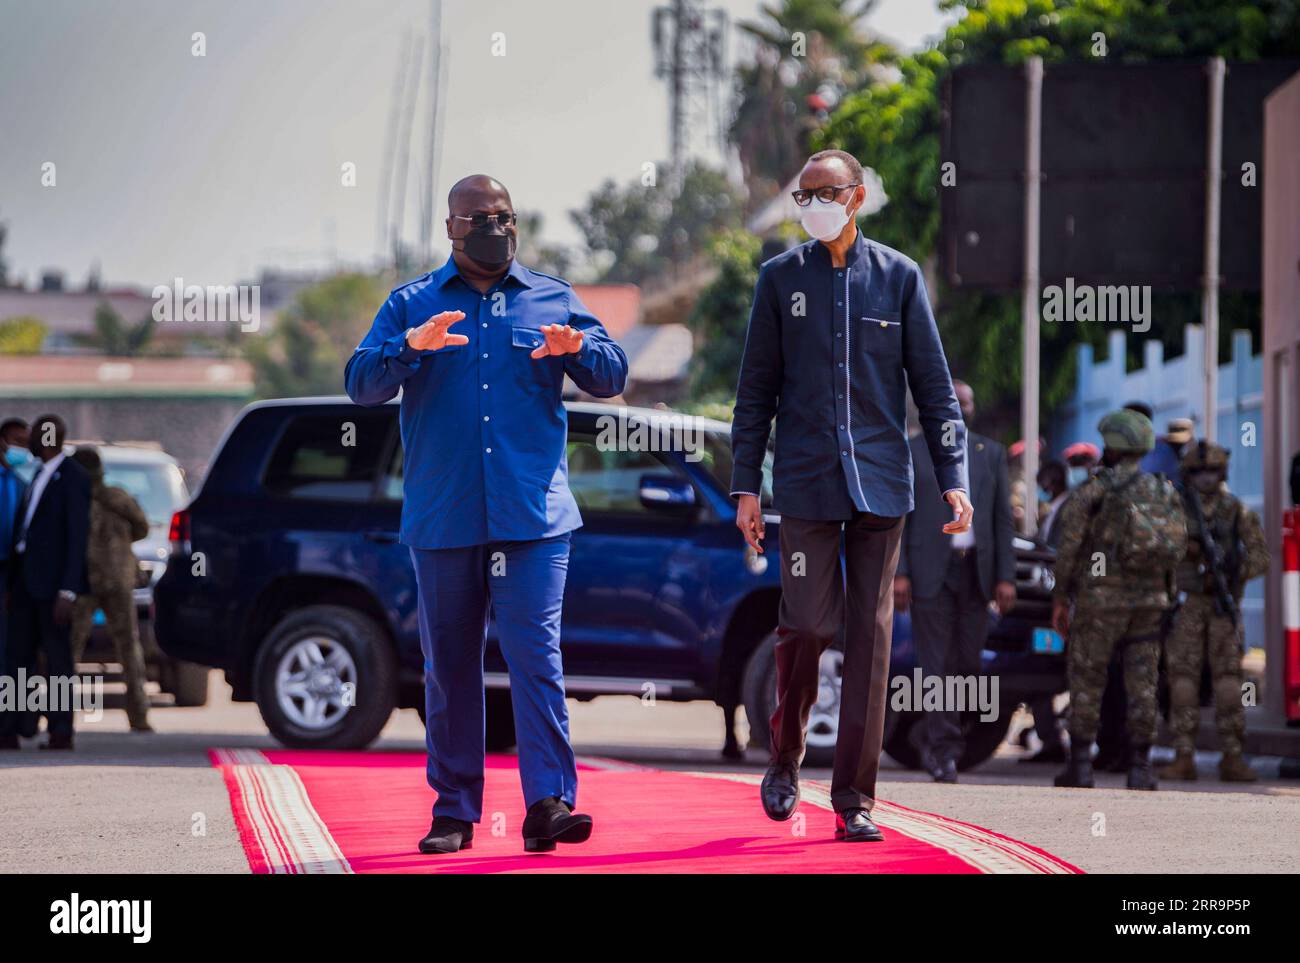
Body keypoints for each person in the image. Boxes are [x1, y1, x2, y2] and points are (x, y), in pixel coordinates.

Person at [345, 174, 627, 855]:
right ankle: (453, 810)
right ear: (451, 228)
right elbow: (361, 385)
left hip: (533, 518)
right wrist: (410, 347)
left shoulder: (552, 298)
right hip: (445, 519)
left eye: (503, 216)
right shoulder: (411, 303)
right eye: (477, 218)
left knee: (538, 657)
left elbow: (614, 374)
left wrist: (577, 351)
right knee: (450, 667)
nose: (492, 227)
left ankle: (549, 803)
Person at [731, 148, 971, 842]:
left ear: (857, 197)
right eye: (801, 197)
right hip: (804, 483)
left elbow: (933, 385)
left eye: (824, 194)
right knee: (805, 624)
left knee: (871, 641)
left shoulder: (899, 277)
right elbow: (755, 391)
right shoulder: (780, 280)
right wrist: (746, 483)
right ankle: (784, 757)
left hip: (882, 486)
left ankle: (853, 798)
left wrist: (953, 477)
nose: (811, 206)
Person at [1050, 409, 1186, 790]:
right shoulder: (1162, 489)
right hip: (1151, 602)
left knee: (1087, 678)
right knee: (1143, 682)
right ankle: (1140, 768)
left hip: (1100, 602)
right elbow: (1179, 548)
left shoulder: (1094, 492)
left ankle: (1080, 767)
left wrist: (1061, 597)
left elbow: (1069, 548)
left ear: (1111, 447)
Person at [896, 380, 1014, 782]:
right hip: (931, 572)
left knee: (967, 663)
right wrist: (900, 572)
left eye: (967, 403)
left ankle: (930, 732)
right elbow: (903, 519)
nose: (961, 410)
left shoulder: (990, 453)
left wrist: (1006, 577)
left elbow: (1002, 520)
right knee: (936, 663)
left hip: (975, 573)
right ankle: (945, 750)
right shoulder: (914, 451)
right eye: (954, 403)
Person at [1159, 442, 1268, 782]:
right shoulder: (1180, 508)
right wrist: (1187, 554)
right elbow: (1161, 552)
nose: (1205, 478)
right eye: (1198, 471)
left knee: (1220, 682)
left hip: (1218, 604)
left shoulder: (1233, 510)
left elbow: (1259, 556)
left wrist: (1232, 573)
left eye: (1211, 471)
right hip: (1190, 602)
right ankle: (1192, 756)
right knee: (1189, 680)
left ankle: (1223, 756)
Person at [0, 414, 90, 751]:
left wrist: (68, 589)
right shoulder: (37, 475)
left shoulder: (73, 478)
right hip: (25, 583)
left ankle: (60, 730)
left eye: (35, 436)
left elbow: (77, 537)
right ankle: (9, 727)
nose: (29, 442)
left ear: (48, 438)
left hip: (53, 589)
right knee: (17, 659)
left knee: (57, 661)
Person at [66, 447, 152, 732]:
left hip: (84, 581)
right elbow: (142, 528)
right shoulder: (118, 497)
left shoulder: (73, 499)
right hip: (119, 581)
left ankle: (61, 720)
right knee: (129, 648)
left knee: (70, 650)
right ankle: (138, 716)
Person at [1021, 457, 1069, 764]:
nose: (1043, 489)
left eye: (1045, 483)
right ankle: (1049, 738)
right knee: (1037, 672)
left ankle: (1061, 742)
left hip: (1060, 607)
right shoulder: (1053, 511)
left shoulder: (1069, 510)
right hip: (1045, 605)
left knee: (1050, 672)